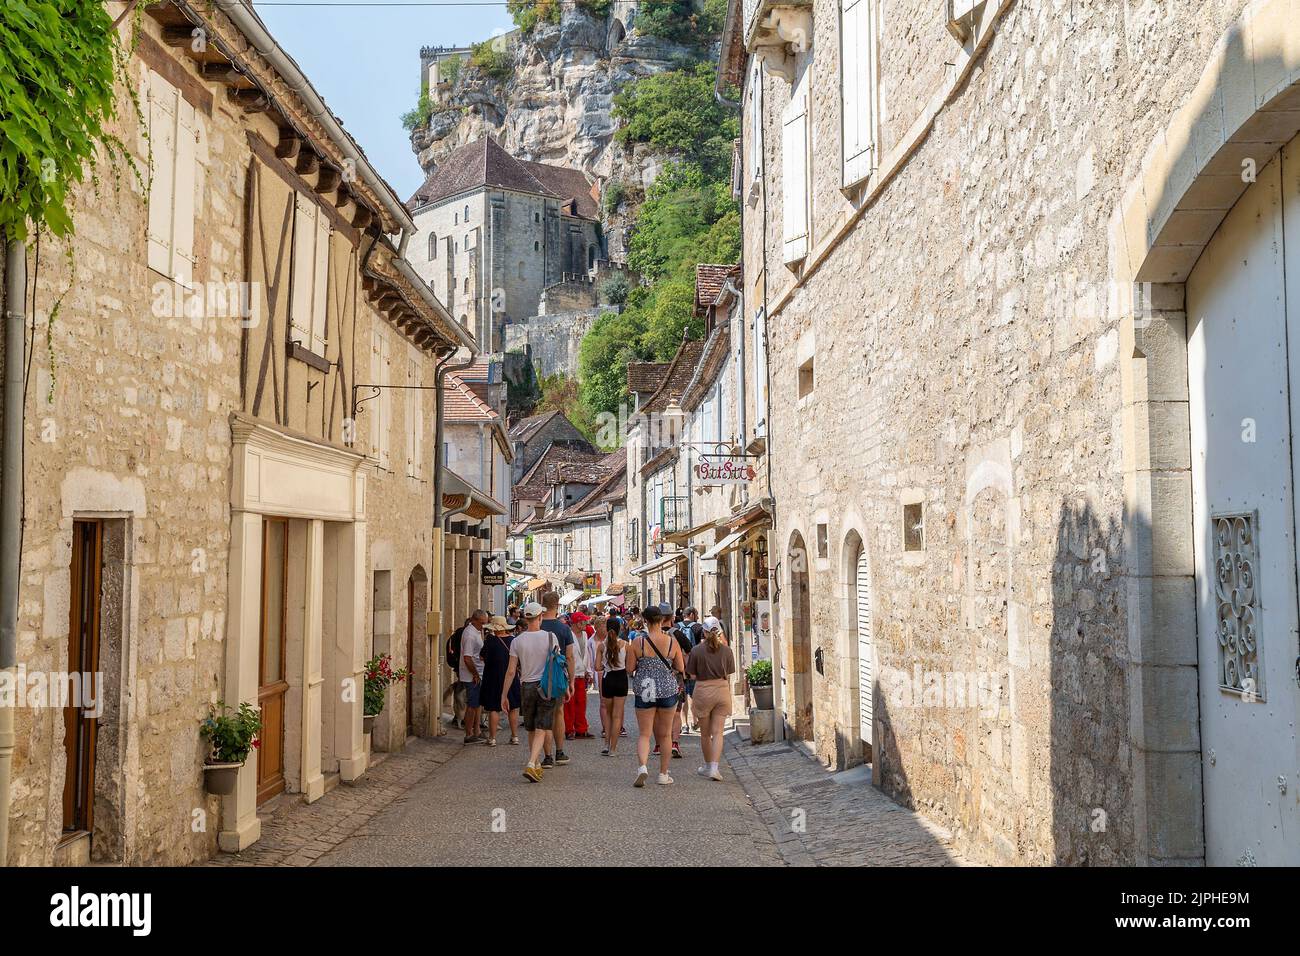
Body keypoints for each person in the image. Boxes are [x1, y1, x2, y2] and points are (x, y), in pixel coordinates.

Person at [626, 603, 685, 787]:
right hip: (667, 688)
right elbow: (681, 667)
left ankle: (642, 767)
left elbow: (629, 669)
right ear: (661, 620)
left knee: (644, 734)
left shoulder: (638, 642)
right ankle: (663, 774)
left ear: (645, 620)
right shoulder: (671, 642)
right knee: (665, 734)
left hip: (645, 689)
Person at [500, 602, 558, 782]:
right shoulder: (550, 637)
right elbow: (557, 662)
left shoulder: (517, 641)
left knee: (531, 728)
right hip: (546, 685)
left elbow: (511, 670)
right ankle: (532, 763)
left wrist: (504, 694)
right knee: (542, 728)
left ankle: (538, 765)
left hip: (526, 686)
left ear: (526, 618)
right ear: (540, 617)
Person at [687, 616, 736, 781]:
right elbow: (729, 672)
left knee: (705, 734)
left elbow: (692, 675)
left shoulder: (696, 650)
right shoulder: (727, 650)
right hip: (722, 690)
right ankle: (715, 768)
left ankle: (708, 766)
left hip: (703, 690)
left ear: (705, 632)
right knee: (718, 733)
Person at [539, 591, 576, 767]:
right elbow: (569, 657)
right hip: (558, 675)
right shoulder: (564, 629)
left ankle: (547, 756)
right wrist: (572, 681)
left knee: (544, 716)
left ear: (542, 604)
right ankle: (559, 752)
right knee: (558, 712)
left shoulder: (536, 626)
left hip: (538, 675)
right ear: (558, 605)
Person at [479, 615, 521, 746]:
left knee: (494, 708)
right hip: (511, 676)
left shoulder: (490, 641)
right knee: (513, 707)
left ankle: (492, 738)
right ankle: (514, 736)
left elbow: (482, 657)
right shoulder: (513, 641)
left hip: (493, 677)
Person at [598, 617, 628, 756]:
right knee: (617, 716)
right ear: (620, 629)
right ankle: (613, 749)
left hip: (608, 678)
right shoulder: (625, 645)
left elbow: (596, 666)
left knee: (609, 714)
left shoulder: (601, 646)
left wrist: (606, 664)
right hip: (621, 678)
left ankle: (606, 744)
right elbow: (629, 667)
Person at [459, 609, 488, 744]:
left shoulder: (475, 631)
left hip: (477, 673)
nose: (483, 625)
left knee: (477, 704)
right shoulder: (470, 635)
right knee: (472, 704)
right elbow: (467, 658)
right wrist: (475, 674)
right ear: (474, 620)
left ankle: (476, 730)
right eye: (482, 623)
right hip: (472, 675)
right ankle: (468, 734)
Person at [566, 611, 595, 740]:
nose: (586, 624)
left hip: (581, 673)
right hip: (571, 673)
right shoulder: (568, 635)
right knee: (569, 703)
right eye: (584, 622)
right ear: (578, 623)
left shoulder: (584, 634)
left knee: (581, 702)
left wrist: (588, 671)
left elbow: (586, 654)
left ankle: (581, 729)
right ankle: (569, 729)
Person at [445, 617, 470, 730]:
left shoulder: (456, 635)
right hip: (464, 668)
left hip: (459, 668)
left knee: (462, 694)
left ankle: (461, 718)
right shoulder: (463, 636)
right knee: (464, 695)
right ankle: (462, 718)